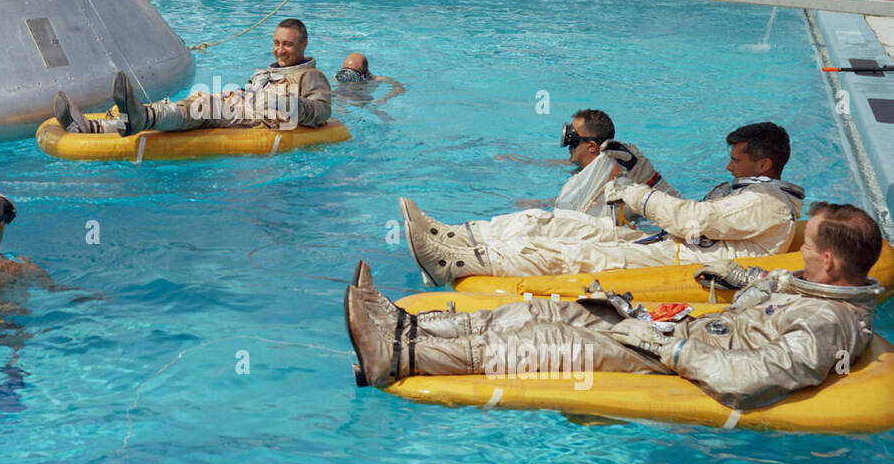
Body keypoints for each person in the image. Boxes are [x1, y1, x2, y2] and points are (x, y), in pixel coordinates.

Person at [346, 202, 883, 410]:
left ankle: (394, 354)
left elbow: (753, 378)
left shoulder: (828, 324)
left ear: (831, 262)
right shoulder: (812, 289)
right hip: (676, 329)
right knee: (543, 312)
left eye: (808, 247)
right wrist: (744, 278)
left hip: (672, 353)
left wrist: (668, 350)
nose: (801, 252)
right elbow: (768, 301)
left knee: (546, 344)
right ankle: (405, 324)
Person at [402, 121, 803, 282]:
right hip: (667, 244)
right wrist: (641, 170)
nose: (728, 166)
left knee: (569, 255)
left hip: (682, 264)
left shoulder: (767, 204)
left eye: (736, 159)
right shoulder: (749, 194)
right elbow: (686, 211)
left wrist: (632, 191)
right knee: (555, 223)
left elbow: (694, 220)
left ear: (764, 164)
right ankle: (454, 236)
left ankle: (456, 263)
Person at [54, 19, 332, 135]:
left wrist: (285, 104)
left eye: (288, 45)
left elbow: (321, 111)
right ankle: (93, 129)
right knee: (195, 101)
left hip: (256, 115)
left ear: (303, 46)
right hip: (238, 104)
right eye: (277, 43)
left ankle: (141, 118)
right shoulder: (266, 72)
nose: (280, 50)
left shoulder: (310, 75)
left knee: (198, 107)